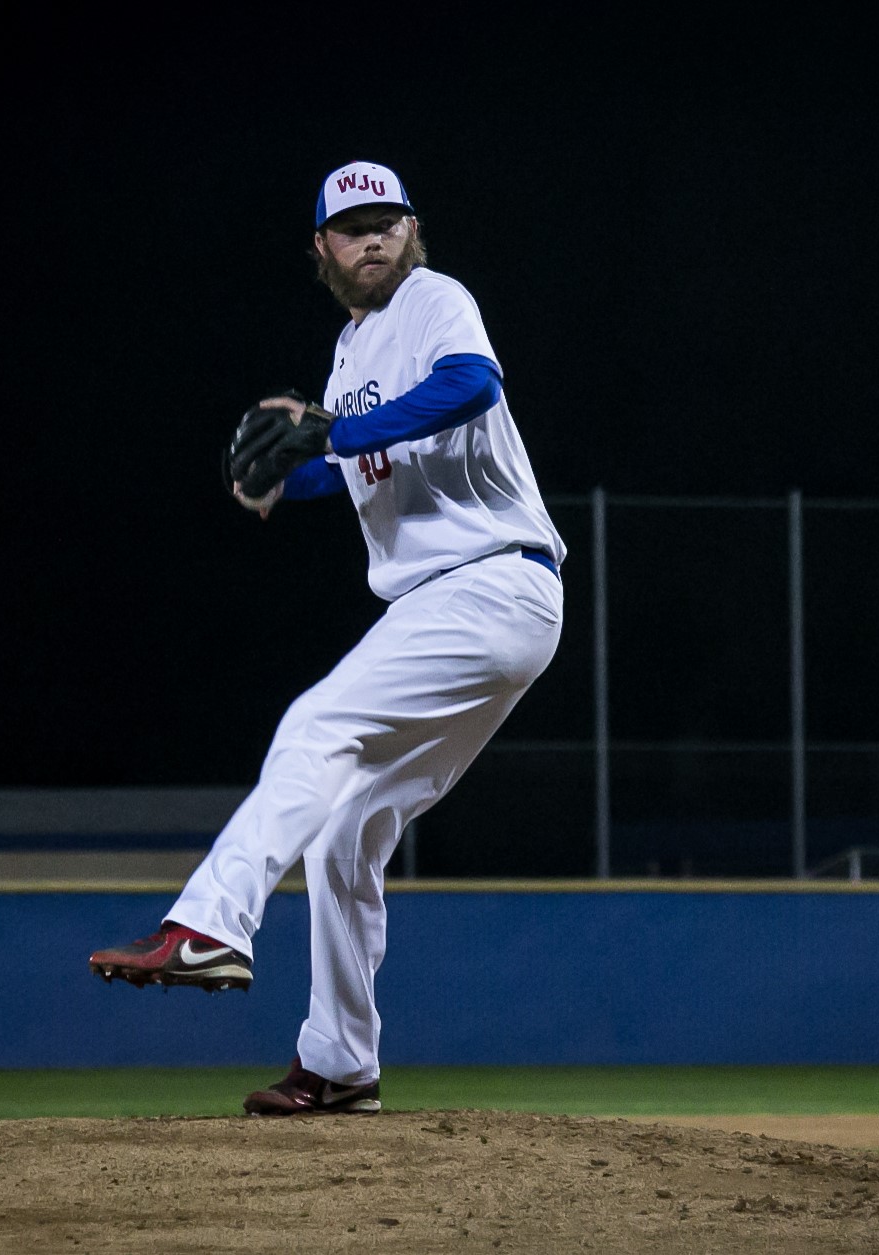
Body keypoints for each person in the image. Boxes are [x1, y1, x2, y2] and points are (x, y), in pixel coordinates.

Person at [89, 160, 566, 1116]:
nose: (374, 236)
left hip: (487, 584)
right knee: (345, 833)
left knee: (315, 725)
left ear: (412, 229)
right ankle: (342, 1066)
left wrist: (331, 439)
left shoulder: (435, 299)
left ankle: (209, 925)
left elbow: (470, 386)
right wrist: (278, 482)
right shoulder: (347, 363)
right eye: (353, 226)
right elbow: (354, 467)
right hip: (459, 610)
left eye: (388, 219)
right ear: (322, 248)